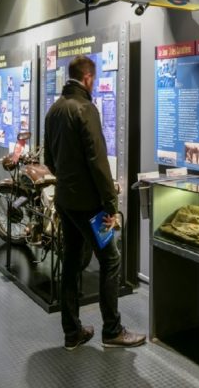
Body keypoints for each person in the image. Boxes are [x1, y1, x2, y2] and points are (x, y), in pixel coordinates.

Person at [44, 55, 146, 351]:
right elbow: (99, 163)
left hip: (66, 200)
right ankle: (112, 330)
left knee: (73, 262)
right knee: (111, 260)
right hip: (90, 206)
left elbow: (50, 160)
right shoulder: (86, 109)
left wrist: (69, 181)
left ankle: (72, 332)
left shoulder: (54, 110)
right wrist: (112, 206)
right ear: (88, 78)